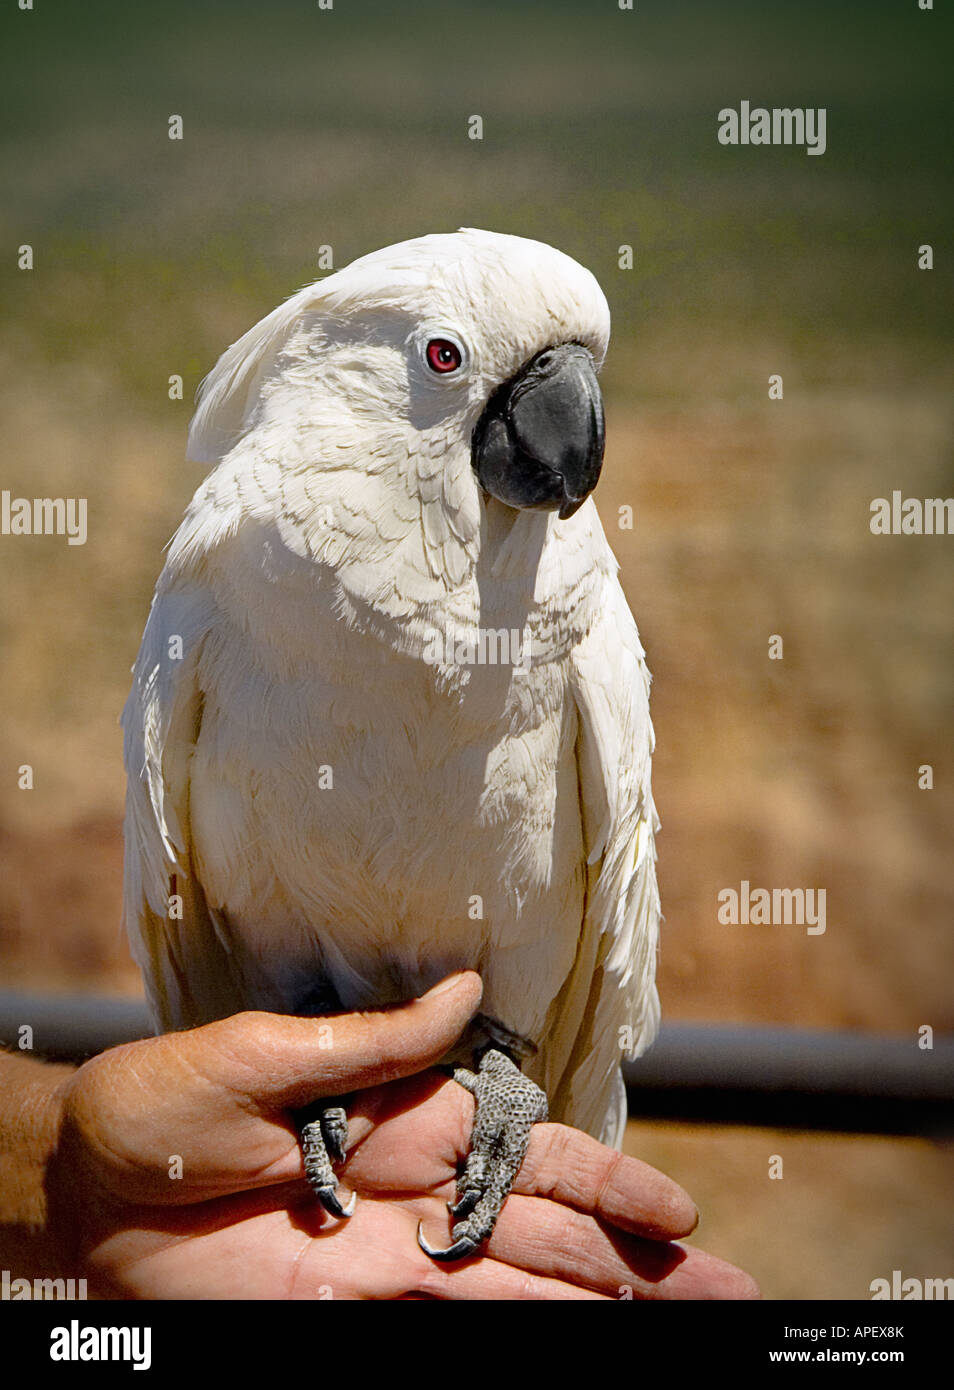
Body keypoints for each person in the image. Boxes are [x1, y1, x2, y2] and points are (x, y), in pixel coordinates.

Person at [0, 971, 758, 1299]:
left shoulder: (592, 651)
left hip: (492, 1088)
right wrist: (68, 1178)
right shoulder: (211, 637)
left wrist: (71, 1178)